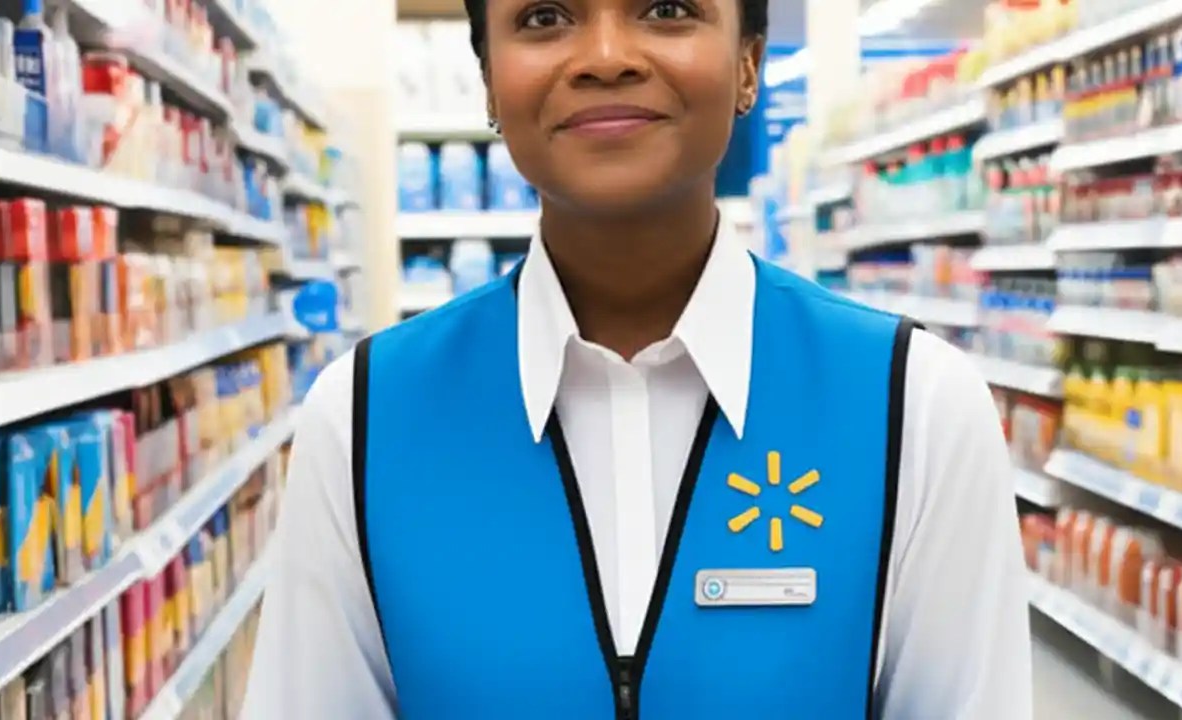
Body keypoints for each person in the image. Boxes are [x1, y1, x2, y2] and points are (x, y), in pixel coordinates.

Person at [241, 0, 1033, 717]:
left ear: (748, 63)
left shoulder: (913, 407)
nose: (606, 56)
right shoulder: (365, 420)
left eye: (666, 8)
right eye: (545, 18)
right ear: (488, 80)